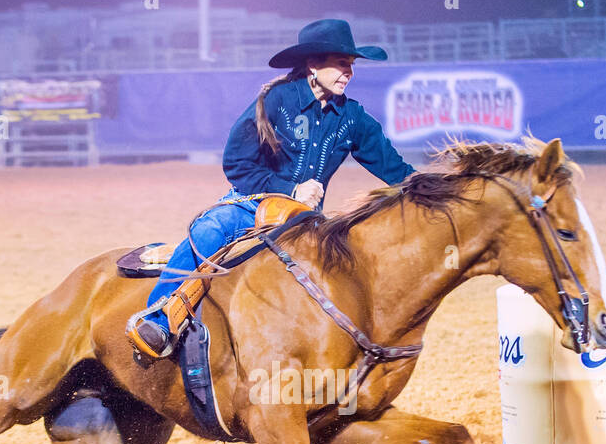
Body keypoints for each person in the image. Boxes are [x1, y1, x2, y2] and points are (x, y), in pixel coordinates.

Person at [127, 18, 416, 362]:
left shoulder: (352, 117)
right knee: (209, 230)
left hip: (305, 221)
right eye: (341, 64)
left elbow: (394, 168)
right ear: (313, 64)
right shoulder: (276, 100)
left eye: (351, 66)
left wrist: (429, 190)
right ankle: (159, 321)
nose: (348, 73)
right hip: (251, 206)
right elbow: (237, 163)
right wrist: (290, 189)